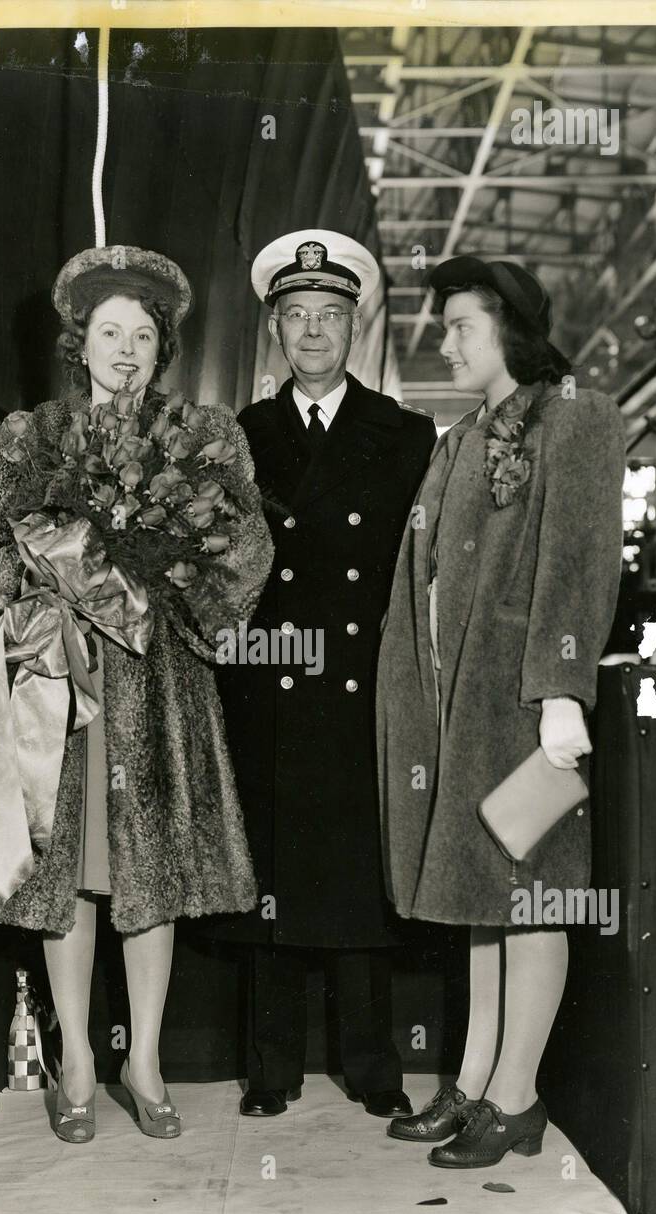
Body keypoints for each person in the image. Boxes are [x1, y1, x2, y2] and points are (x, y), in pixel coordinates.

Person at [0, 246, 273, 1143]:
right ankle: (80, 1062)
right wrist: (60, 604)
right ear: (81, 343)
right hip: (61, 689)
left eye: (143, 333)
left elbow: (247, 554)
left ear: (162, 344)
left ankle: (146, 1061)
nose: (127, 349)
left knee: (152, 872)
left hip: (162, 689)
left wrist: (167, 578)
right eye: (110, 332)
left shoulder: (206, 438)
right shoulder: (35, 436)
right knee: (70, 870)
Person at [376, 256, 627, 1167]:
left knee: (535, 900)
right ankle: (478, 1080)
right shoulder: (457, 440)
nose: (443, 343)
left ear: (509, 331)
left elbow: (580, 559)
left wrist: (563, 692)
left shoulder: (576, 420)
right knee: (484, 903)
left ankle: (518, 1098)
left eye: (459, 328)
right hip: (461, 707)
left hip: (528, 706)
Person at [212, 229, 437, 1119]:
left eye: (330, 317)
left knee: (356, 873)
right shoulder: (239, 436)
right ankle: (273, 1069)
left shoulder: (404, 433)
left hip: (361, 681)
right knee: (270, 873)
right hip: (267, 680)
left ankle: (373, 1066)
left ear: (355, 330)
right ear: (274, 330)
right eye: (297, 316)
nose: (313, 333)